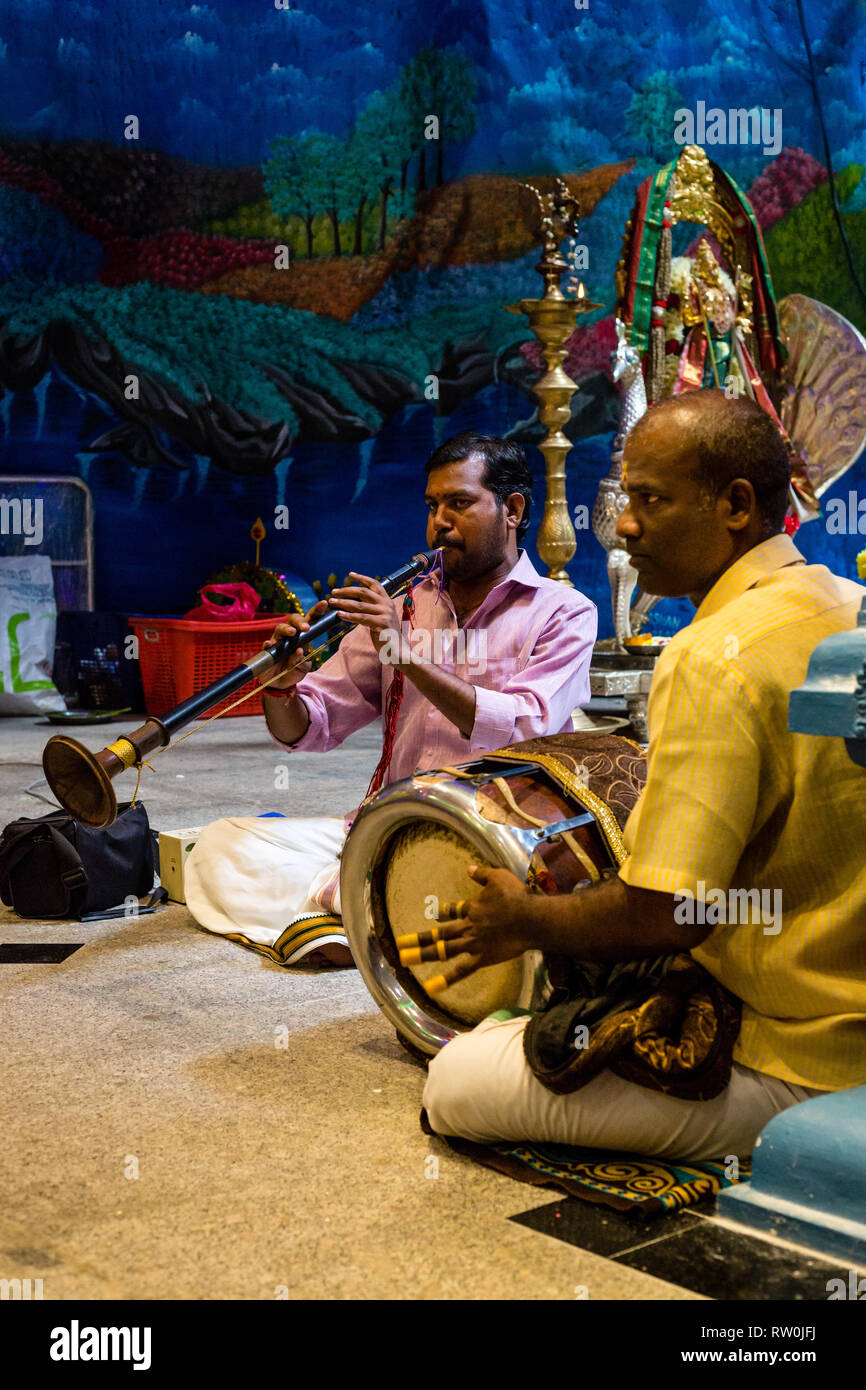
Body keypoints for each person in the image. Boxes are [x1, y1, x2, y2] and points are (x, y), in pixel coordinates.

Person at [423, 390, 866, 1161]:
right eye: (626, 498)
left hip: (808, 1056)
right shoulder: (848, 602)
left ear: (735, 505)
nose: (624, 526)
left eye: (650, 500)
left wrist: (525, 921)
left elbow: (673, 914)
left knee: (455, 1082)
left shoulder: (711, 655)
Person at [184, 433, 597, 966]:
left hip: (492, 839)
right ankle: (367, 918)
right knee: (221, 846)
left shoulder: (564, 613)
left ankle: (346, 910)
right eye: (432, 506)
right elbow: (312, 726)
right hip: (387, 825)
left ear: (512, 509)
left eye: (460, 503)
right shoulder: (401, 607)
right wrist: (283, 689)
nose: (439, 523)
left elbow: (520, 724)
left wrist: (406, 656)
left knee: (495, 897)